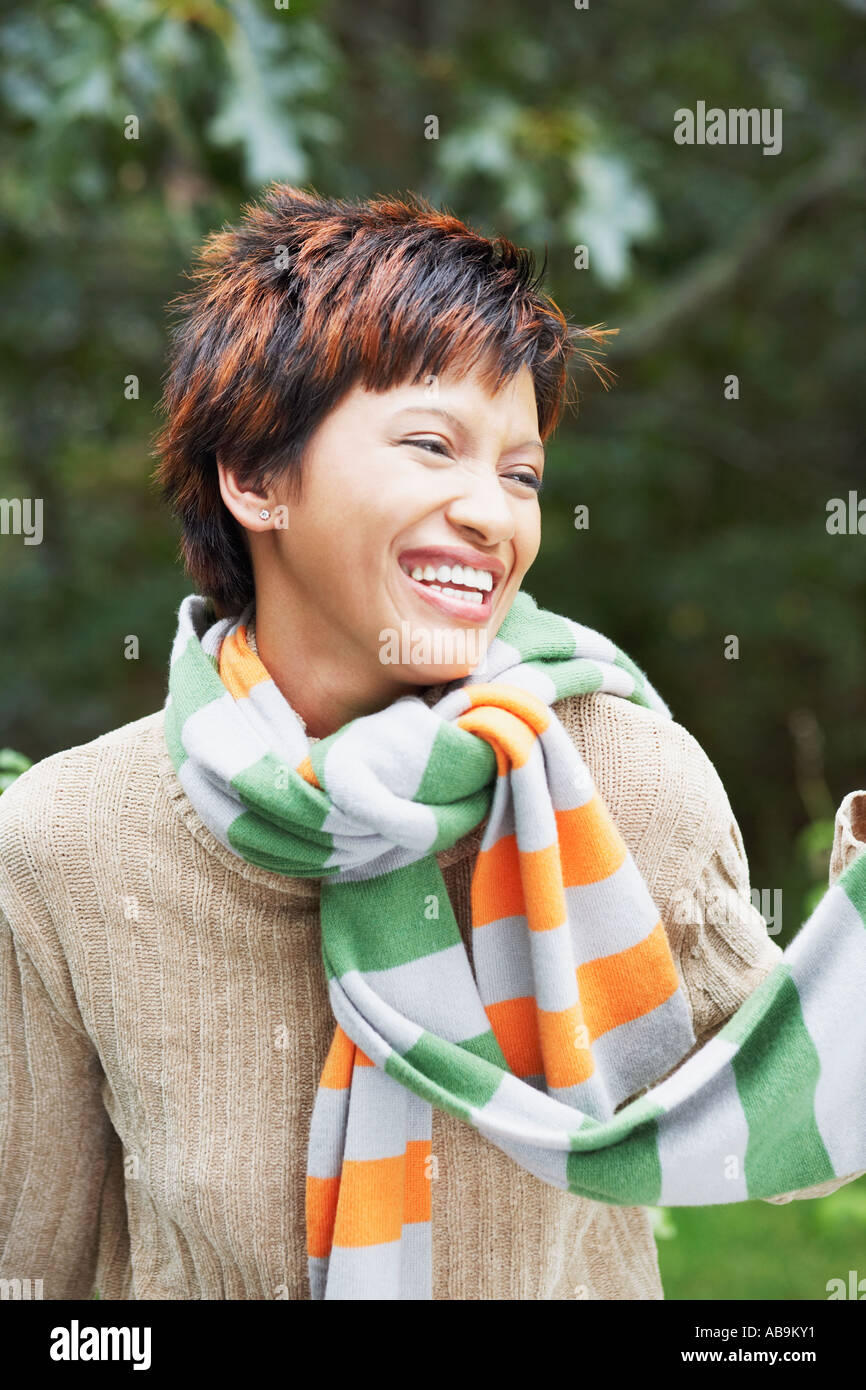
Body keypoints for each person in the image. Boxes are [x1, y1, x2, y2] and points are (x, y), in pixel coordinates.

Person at [1, 185, 863, 1301]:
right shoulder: (67, 842)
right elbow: (34, 1267)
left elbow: (785, 1117)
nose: (490, 513)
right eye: (430, 445)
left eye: (518, 473)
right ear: (256, 477)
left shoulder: (627, 778)